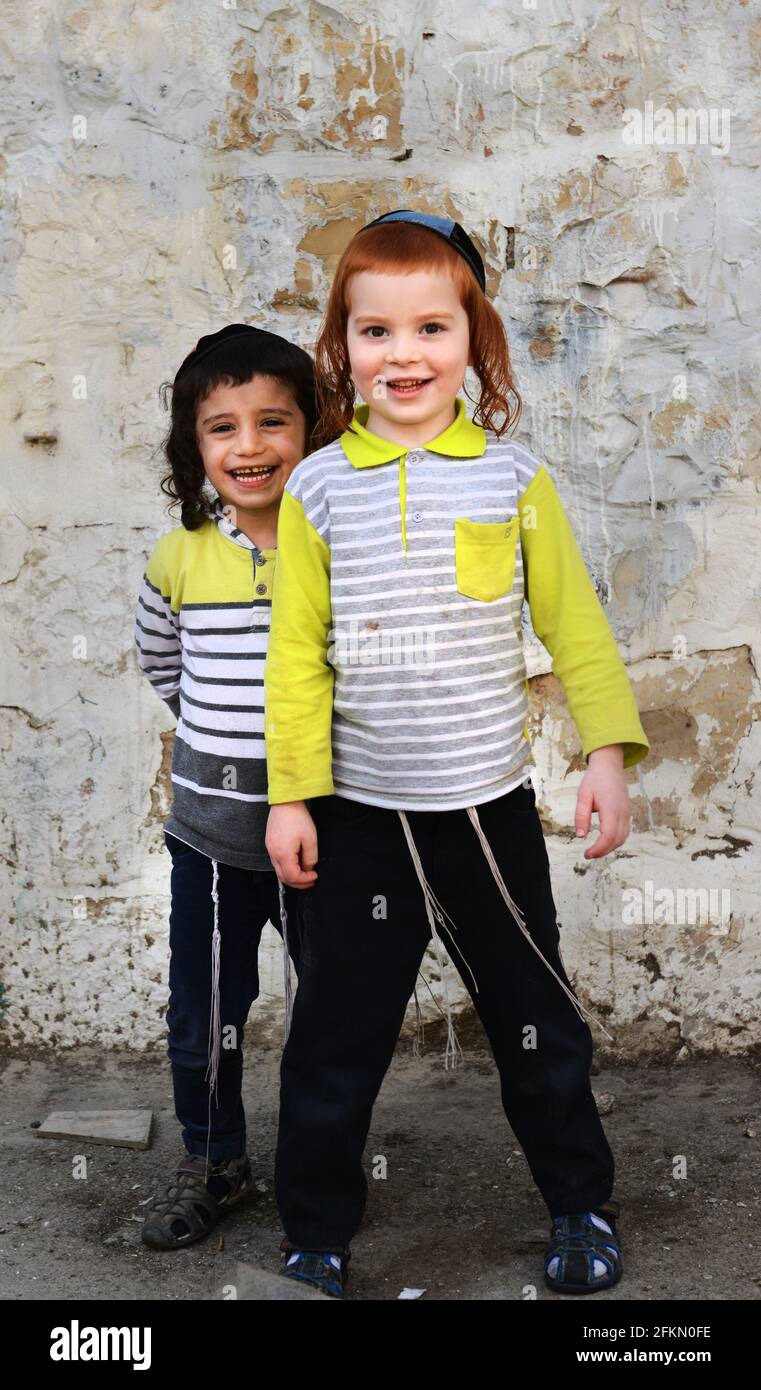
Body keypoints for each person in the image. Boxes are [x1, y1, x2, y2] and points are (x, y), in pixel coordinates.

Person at [264, 211, 650, 1298]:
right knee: (333, 1042)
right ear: (341, 347)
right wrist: (290, 795)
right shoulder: (317, 487)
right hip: (354, 815)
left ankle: (579, 1207)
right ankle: (317, 1234)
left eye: (430, 327)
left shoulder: (510, 478)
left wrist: (605, 757)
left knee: (537, 1028)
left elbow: (574, 627)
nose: (404, 354)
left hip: (482, 810)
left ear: (473, 342)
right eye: (374, 331)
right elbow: (294, 657)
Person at [134, 323, 317, 1249]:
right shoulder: (178, 558)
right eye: (222, 428)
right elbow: (163, 667)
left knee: (328, 1013)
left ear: (312, 432)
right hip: (210, 837)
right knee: (205, 1016)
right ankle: (215, 1164)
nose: (249, 447)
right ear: (193, 446)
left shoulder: (335, 550)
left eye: (272, 422)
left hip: (327, 834)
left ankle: (321, 1182)